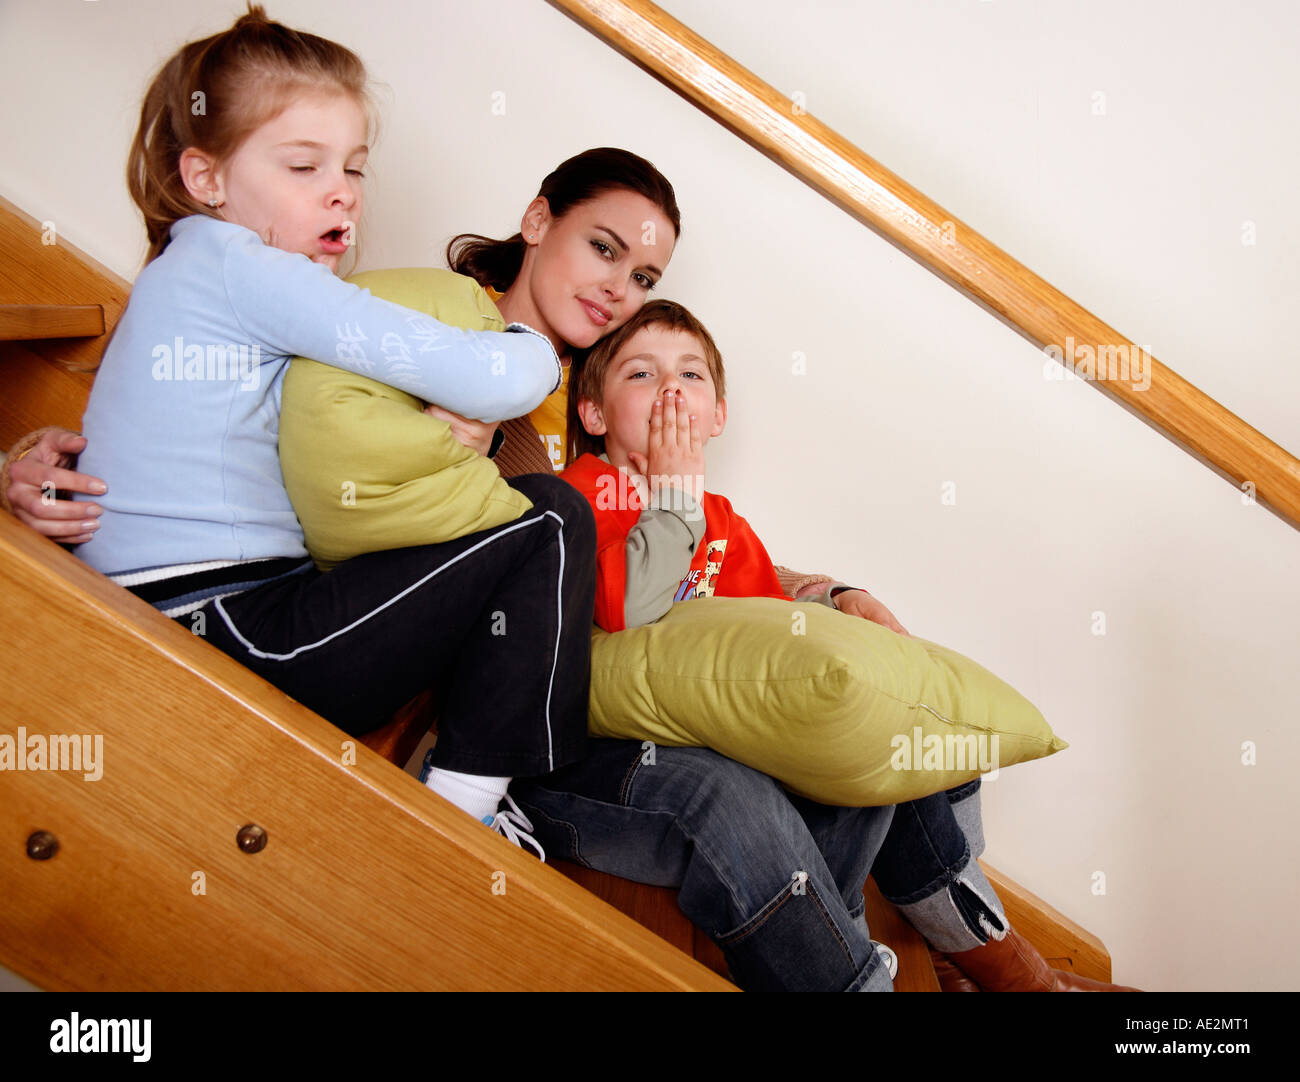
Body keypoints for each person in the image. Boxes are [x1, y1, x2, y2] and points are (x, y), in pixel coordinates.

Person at [3, 128, 1126, 988]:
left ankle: (988, 960)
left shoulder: (571, 403)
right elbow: (247, 427)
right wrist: (41, 453)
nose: (616, 289)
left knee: (880, 705)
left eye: (642, 278)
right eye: (603, 247)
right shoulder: (423, 328)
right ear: (537, 218)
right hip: (482, 710)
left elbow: (686, 556)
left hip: (570, 671)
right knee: (733, 793)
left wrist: (821, 592)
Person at [39, 4, 598, 848]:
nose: (341, 191)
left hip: (232, 611)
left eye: (355, 168)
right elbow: (493, 376)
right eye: (304, 166)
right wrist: (526, 340)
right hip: (217, 633)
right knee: (551, 516)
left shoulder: (194, 267)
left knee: (506, 531)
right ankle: (459, 818)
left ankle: (477, 789)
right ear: (207, 178)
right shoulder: (246, 268)